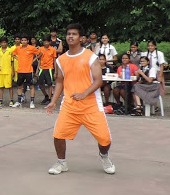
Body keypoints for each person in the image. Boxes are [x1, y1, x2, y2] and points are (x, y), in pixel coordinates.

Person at [46, 23, 115, 176]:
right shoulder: (61, 59)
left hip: (91, 106)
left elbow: (98, 81)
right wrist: (53, 101)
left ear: (81, 38)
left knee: (105, 140)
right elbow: (59, 82)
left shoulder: (91, 57)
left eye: (74, 34)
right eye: (68, 34)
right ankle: (61, 162)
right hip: (70, 105)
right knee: (58, 135)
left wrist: (84, 94)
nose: (70, 36)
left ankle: (104, 156)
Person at [12, 36, 39, 108]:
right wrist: (18, 59)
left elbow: (40, 53)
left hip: (29, 70)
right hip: (20, 70)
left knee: (31, 86)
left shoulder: (31, 48)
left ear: (27, 41)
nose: (23, 41)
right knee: (19, 86)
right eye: (22, 40)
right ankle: (19, 101)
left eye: (25, 40)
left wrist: (33, 60)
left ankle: (32, 102)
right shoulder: (18, 48)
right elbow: (13, 54)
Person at [37, 37, 58, 105]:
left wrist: (55, 71)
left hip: (49, 68)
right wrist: (37, 69)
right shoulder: (40, 49)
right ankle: (46, 96)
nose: (46, 43)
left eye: (47, 42)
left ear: (50, 42)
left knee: (49, 84)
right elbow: (39, 60)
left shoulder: (53, 50)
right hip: (42, 68)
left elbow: (55, 61)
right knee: (40, 84)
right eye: (44, 42)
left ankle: (49, 99)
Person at [0, 37, 14, 107]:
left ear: (7, 43)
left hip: (8, 71)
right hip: (0, 71)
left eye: (5, 42)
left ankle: (11, 100)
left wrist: (13, 71)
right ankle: (0, 100)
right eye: (2, 42)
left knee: (9, 86)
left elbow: (12, 61)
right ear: (0, 43)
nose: (4, 44)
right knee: (1, 86)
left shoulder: (10, 50)